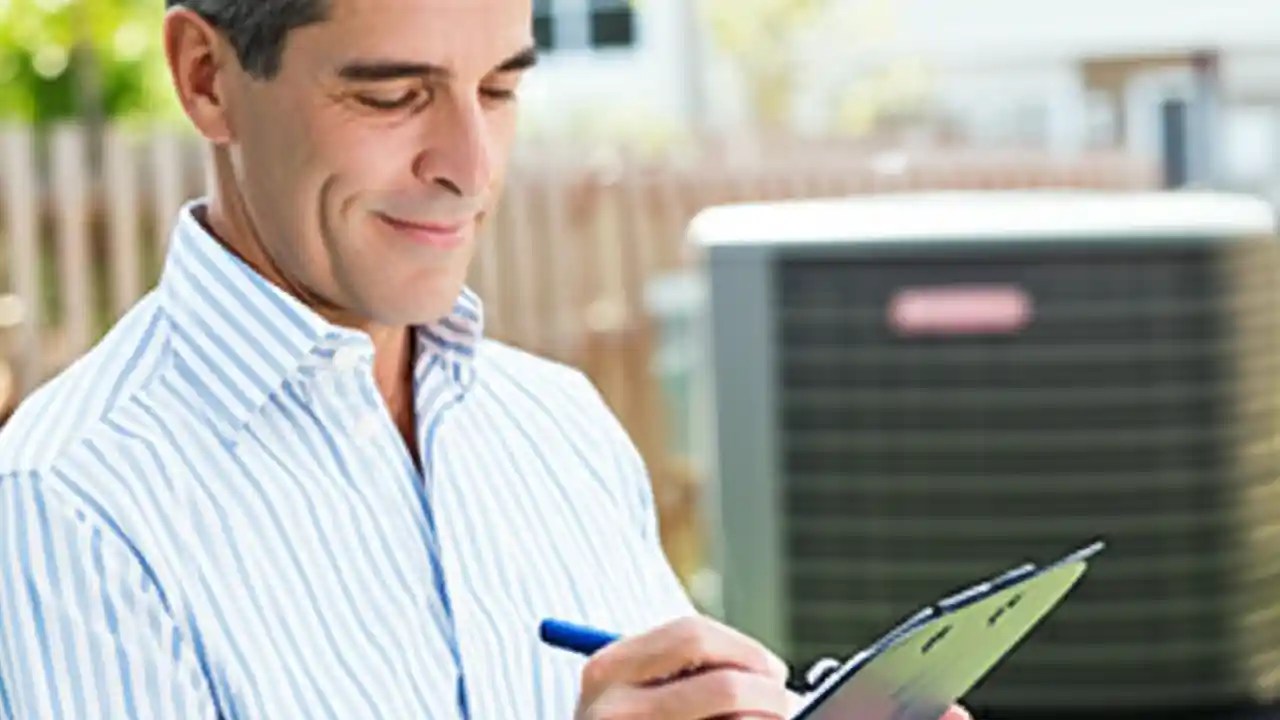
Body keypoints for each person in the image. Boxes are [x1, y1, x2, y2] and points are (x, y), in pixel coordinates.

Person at [0, 1, 970, 718]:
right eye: (392, 94)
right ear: (207, 75)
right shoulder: (67, 504)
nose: (470, 163)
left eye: (500, 89)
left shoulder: (557, 426)